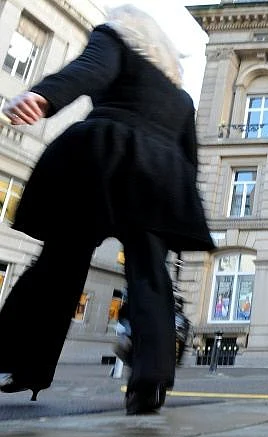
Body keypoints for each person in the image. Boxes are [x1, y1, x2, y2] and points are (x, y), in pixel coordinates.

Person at [0, 4, 214, 415]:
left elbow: (90, 70)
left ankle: (26, 362)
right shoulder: (182, 98)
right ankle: (150, 379)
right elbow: (190, 158)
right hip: (161, 175)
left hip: (105, 157)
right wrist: (181, 213)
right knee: (150, 274)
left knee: (61, 261)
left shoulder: (114, 39)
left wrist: (44, 96)